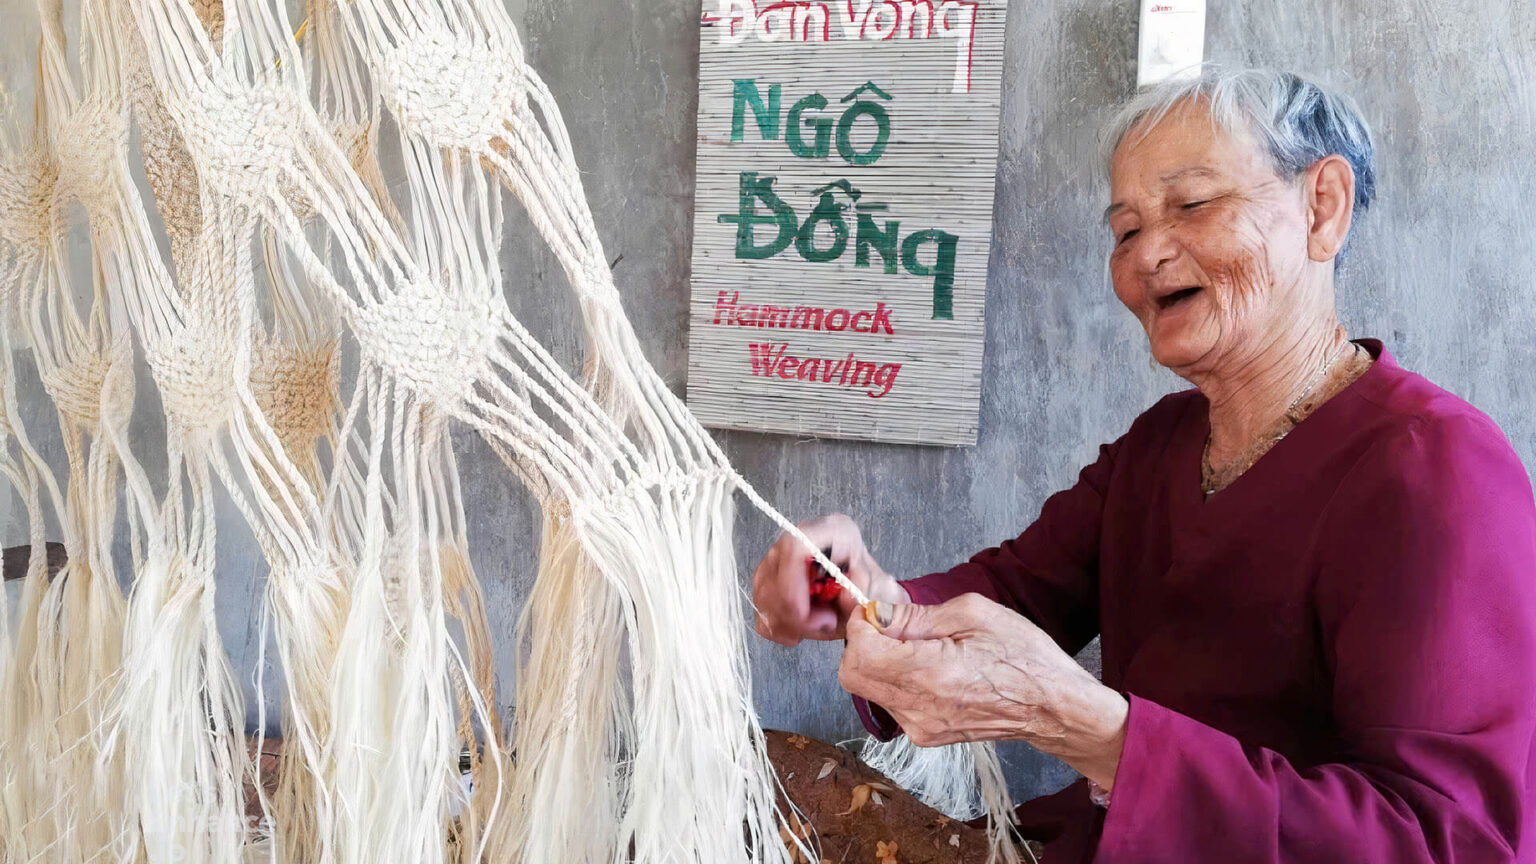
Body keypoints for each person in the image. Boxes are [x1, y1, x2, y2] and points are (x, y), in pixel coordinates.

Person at [751, 68, 1536, 862]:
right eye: (1126, 230)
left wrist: (1090, 732)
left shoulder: (1435, 467)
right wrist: (847, 592)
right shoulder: (1163, 441)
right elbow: (1014, 591)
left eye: (1192, 205)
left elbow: (1448, 840)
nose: (1149, 255)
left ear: (1320, 206)